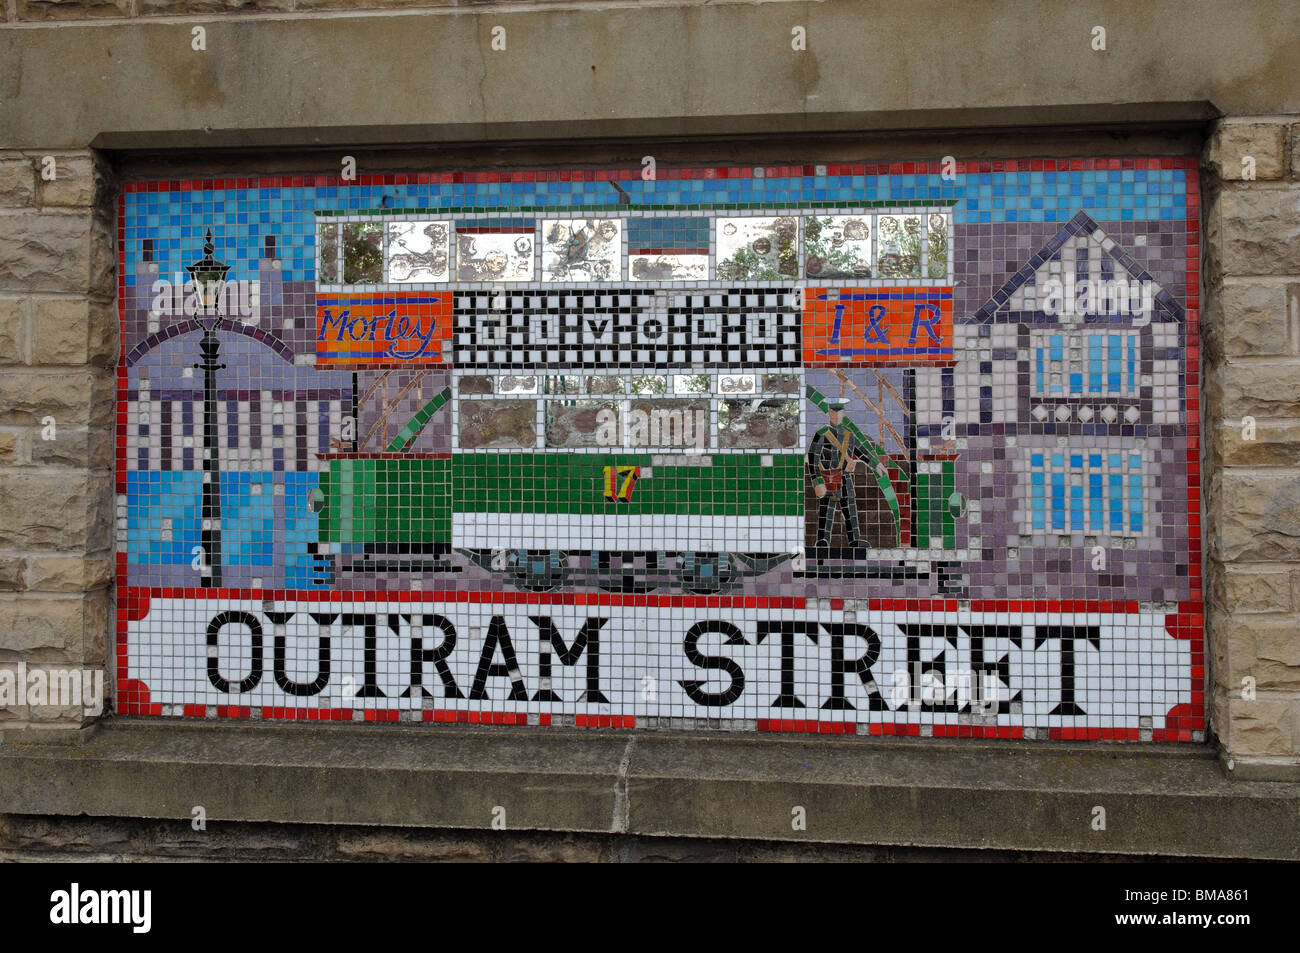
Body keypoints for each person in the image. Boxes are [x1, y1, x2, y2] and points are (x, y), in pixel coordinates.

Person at [807, 397, 871, 548]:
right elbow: (813, 458)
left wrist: (876, 465)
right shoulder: (821, 434)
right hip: (828, 478)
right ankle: (822, 540)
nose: (836, 416)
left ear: (843, 414)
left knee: (850, 509)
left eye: (839, 412)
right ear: (829, 414)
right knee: (826, 509)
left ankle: (854, 539)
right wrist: (817, 481)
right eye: (833, 413)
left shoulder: (849, 435)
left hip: (845, 478)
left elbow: (862, 452)